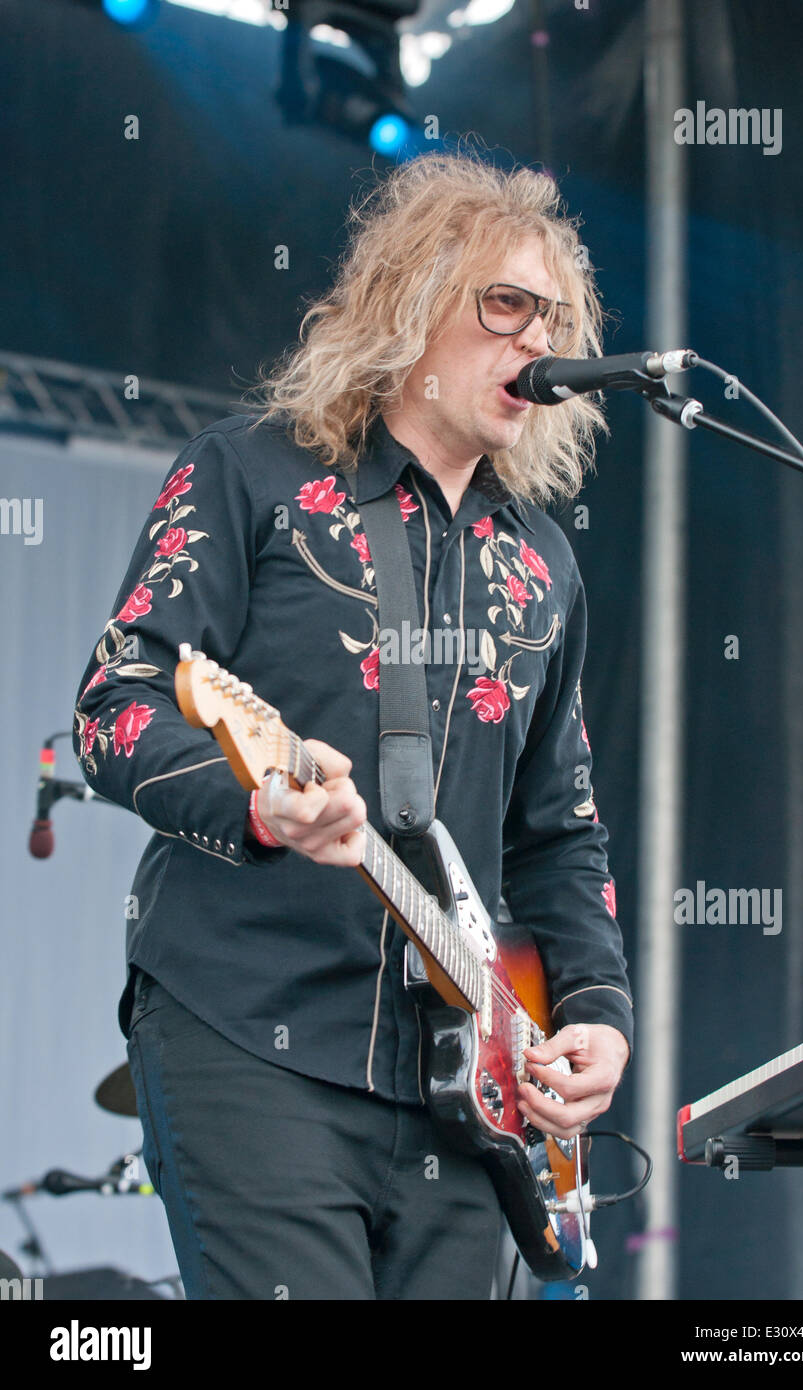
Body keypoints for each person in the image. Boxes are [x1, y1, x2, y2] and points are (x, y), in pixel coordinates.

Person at [73, 152, 633, 1300]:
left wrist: (596, 1014)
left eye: (557, 317)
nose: (539, 341)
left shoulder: (543, 566)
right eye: (507, 305)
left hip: (467, 1087)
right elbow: (113, 707)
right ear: (411, 300)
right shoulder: (249, 473)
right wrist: (254, 801)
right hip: (247, 1032)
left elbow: (560, 834)